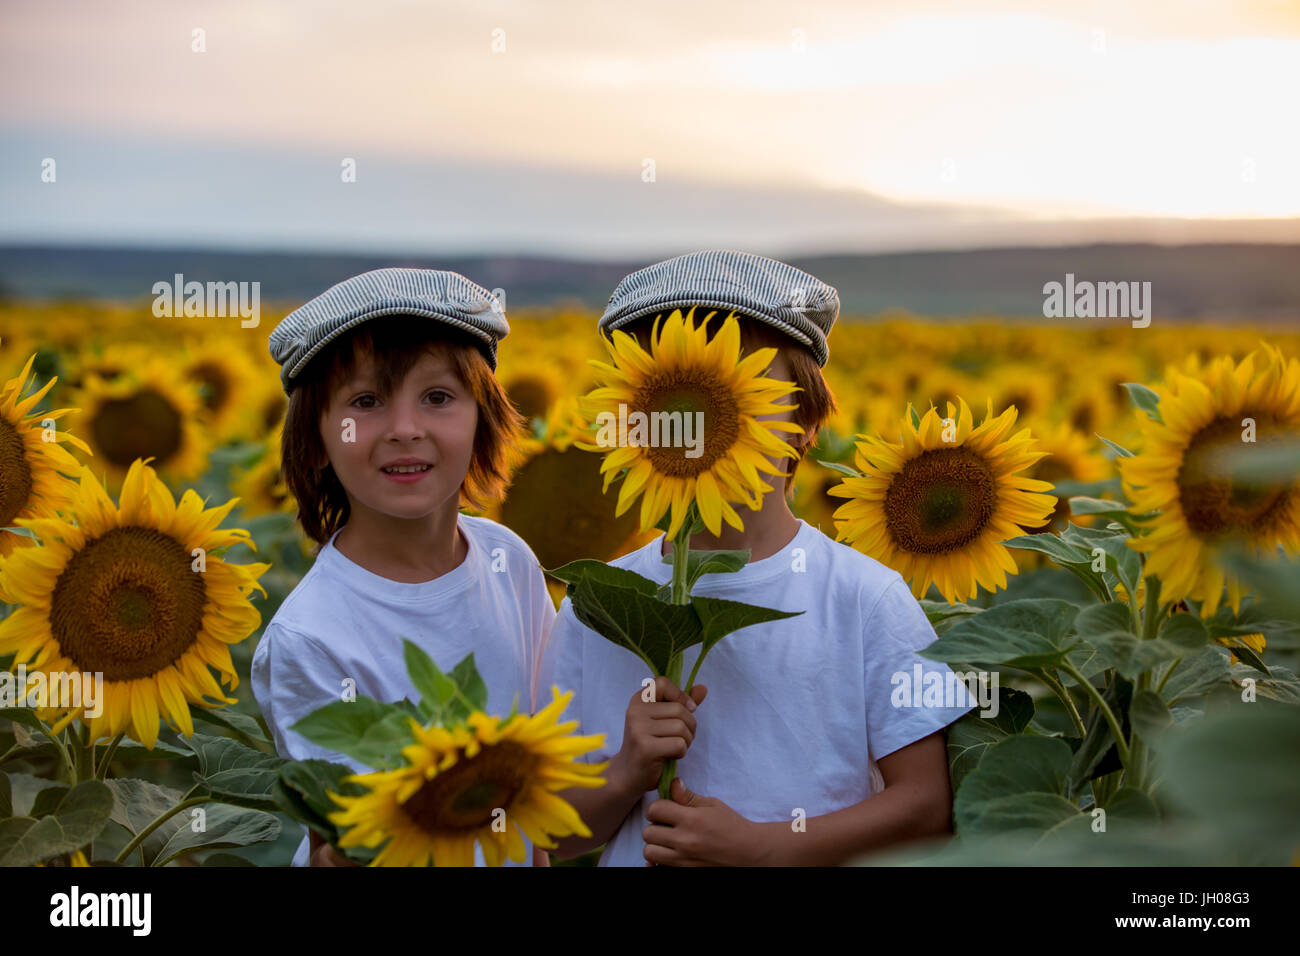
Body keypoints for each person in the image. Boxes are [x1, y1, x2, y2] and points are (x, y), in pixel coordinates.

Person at [546, 250, 977, 866]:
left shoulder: (862, 597)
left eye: (741, 391)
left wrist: (765, 848)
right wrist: (624, 773)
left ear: (804, 421)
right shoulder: (597, 605)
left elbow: (927, 807)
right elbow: (552, 833)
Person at [251, 268, 553, 867]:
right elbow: (348, 841)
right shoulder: (311, 638)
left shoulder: (508, 561)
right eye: (365, 402)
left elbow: (535, 780)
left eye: (438, 398)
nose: (405, 430)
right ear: (316, 436)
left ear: (482, 417)